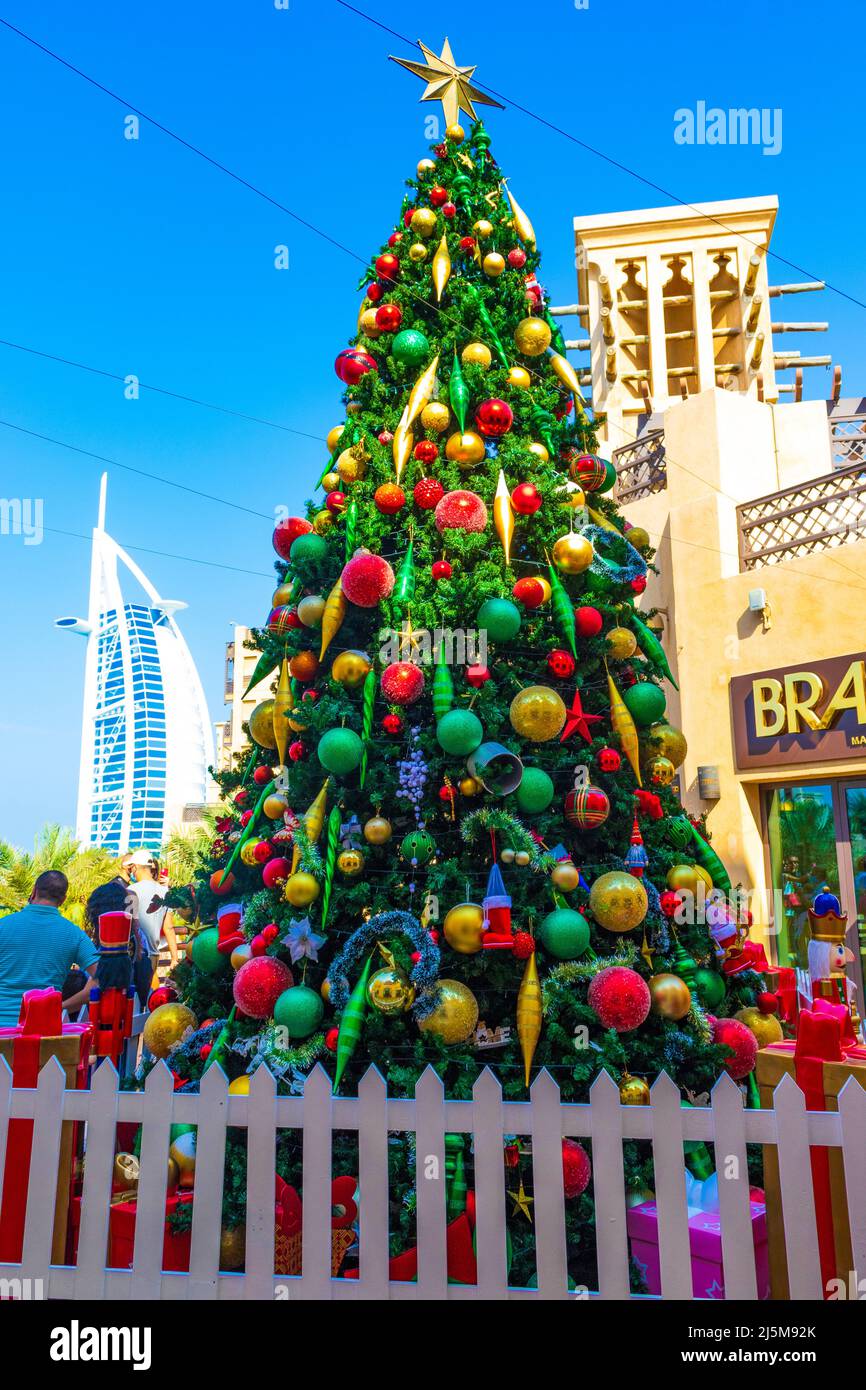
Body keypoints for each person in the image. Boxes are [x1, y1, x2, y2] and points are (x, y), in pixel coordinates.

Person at [0, 870, 99, 1026]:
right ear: (63, 900)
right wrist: (61, 1007)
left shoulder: (3, 926)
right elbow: (103, 978)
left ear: (34, 891)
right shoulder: (74, 934)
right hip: (42, 1031)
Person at [127, 851, 178, 977]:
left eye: (131, 867)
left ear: (136, 867)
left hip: (134, 954)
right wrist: (174, 958)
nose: (131, 871)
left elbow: (127, 924)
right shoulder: (165, 892)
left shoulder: (130, 891)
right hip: (154, 956)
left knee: (132, 995)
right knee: (146, 994)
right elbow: (169, 928)